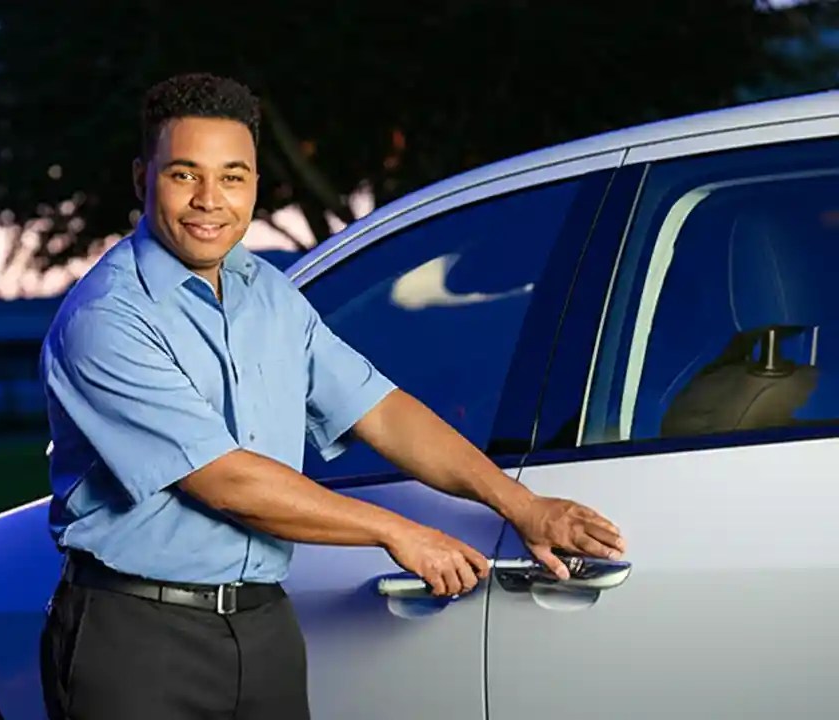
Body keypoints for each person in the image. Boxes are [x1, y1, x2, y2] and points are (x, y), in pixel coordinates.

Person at [37, 72, 627, 720]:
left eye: (232, 176)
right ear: (142, 178)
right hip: (137, 639)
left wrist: (523, 505)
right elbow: (227, 482)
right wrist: (397, 533)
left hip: (263, 627)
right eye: (184, 175)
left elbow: (382, 411)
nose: (210, 199)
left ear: (257, 184)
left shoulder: (269, 293)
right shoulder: (107, 318)